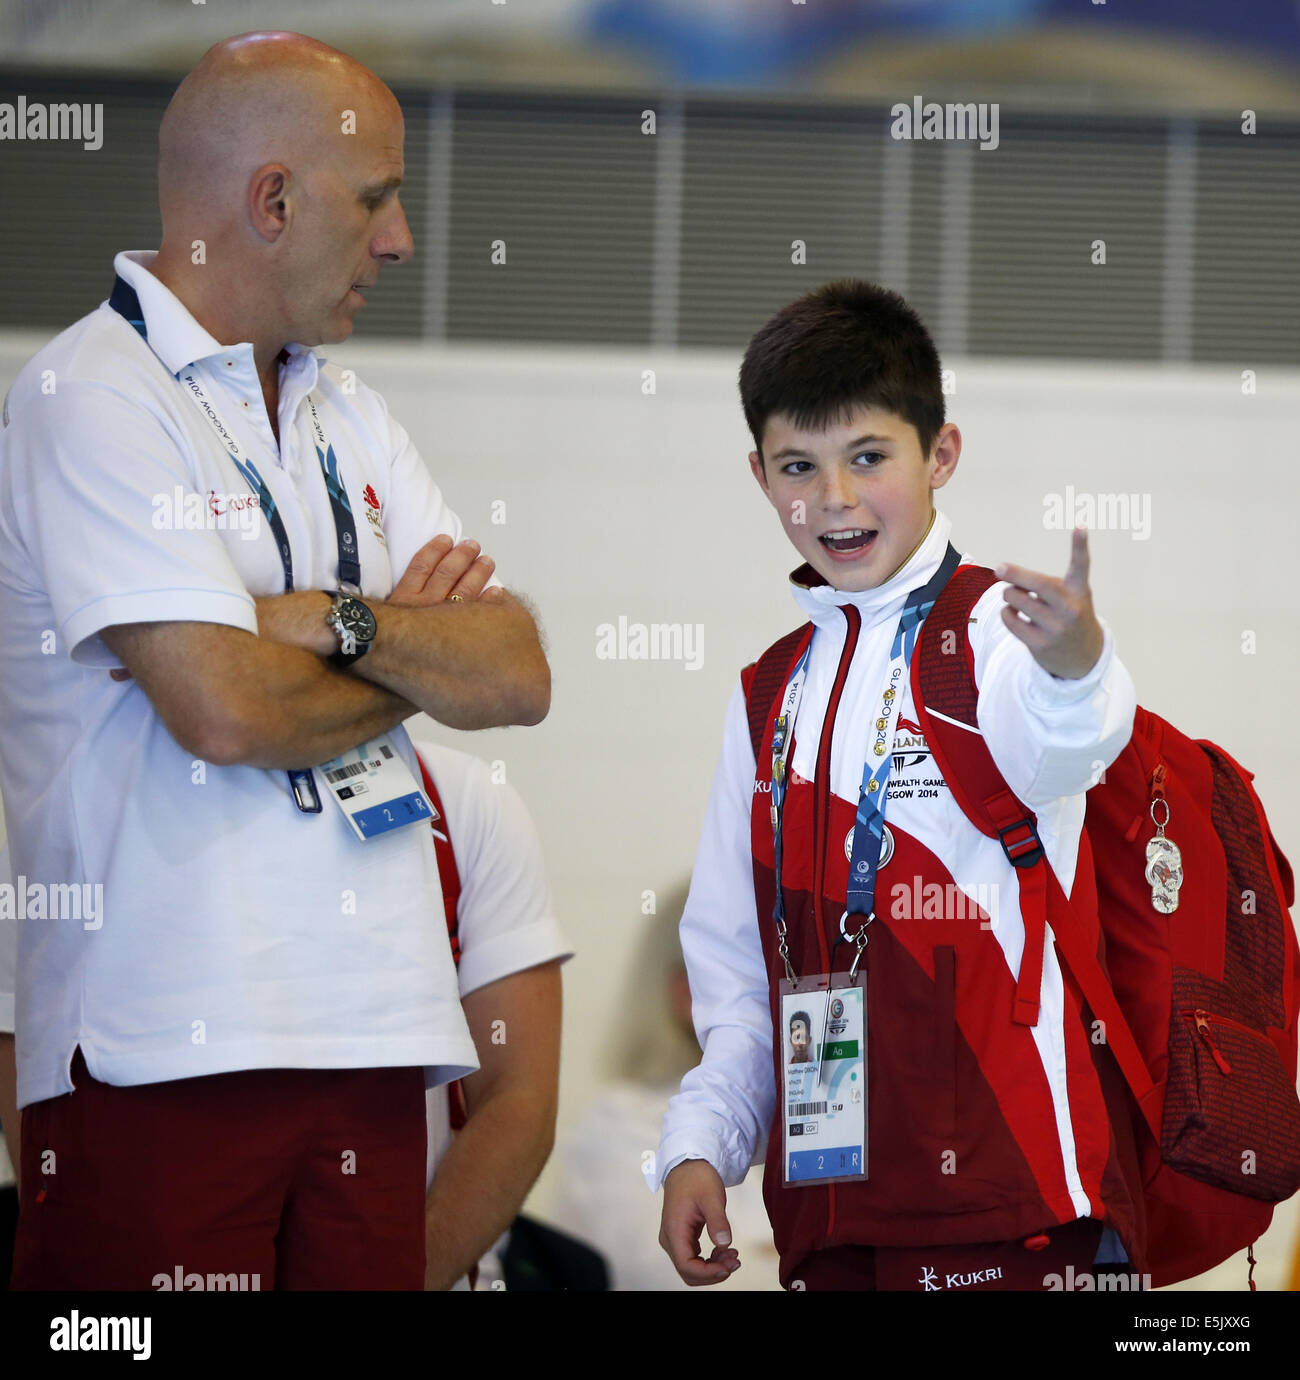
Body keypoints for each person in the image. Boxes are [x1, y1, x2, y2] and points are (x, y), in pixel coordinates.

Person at [0, 31, 549, 1290]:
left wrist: (326, 620)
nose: (400, 239)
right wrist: (407, 645)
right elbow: (226, 711)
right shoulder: (91, 395)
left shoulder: (346, 410)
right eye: (377, 198)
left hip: (373, 1040)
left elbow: (517, 673)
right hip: (160, 1052)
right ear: (273, 200)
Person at [653, 279, 1143, 1291]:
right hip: (828, 1222)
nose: (832, 499)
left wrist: (1077, 660)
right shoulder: (766, 695)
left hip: (1015, 1209)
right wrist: (699, 1145)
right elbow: (738, 968)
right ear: (759, 476)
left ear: (941, 456)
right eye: (798, 466)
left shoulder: (993, 638)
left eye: (867, 457)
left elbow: (1070, 746)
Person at [0, 736, 571, 1291]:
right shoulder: (79, 814)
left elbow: (518, 1100)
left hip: (396, 1255)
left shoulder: (462, 799)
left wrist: (399, 1276)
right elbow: (37, 1103)